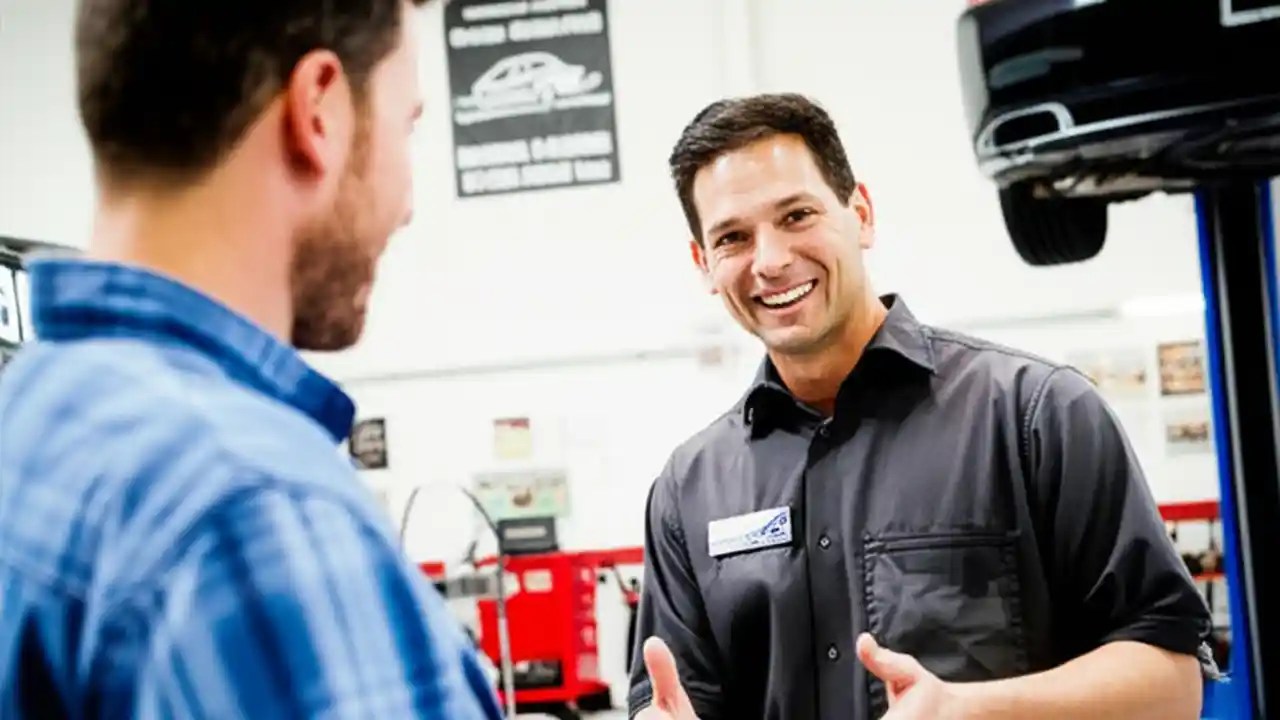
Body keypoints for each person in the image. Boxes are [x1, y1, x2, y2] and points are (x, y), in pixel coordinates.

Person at [627, 93, 1216, 720]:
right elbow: (671, 702)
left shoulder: (1033, 417)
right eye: (733, 238)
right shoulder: (688, 491)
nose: (770, 261)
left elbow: (1173, 681)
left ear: (861, 214)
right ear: (704, 264)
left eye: (797, 215)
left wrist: (976, 710)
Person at [0, 2, 503, 718]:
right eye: (406, 126)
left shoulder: (33, 418)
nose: (407, 203)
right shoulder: (255, 506)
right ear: (319, 108)